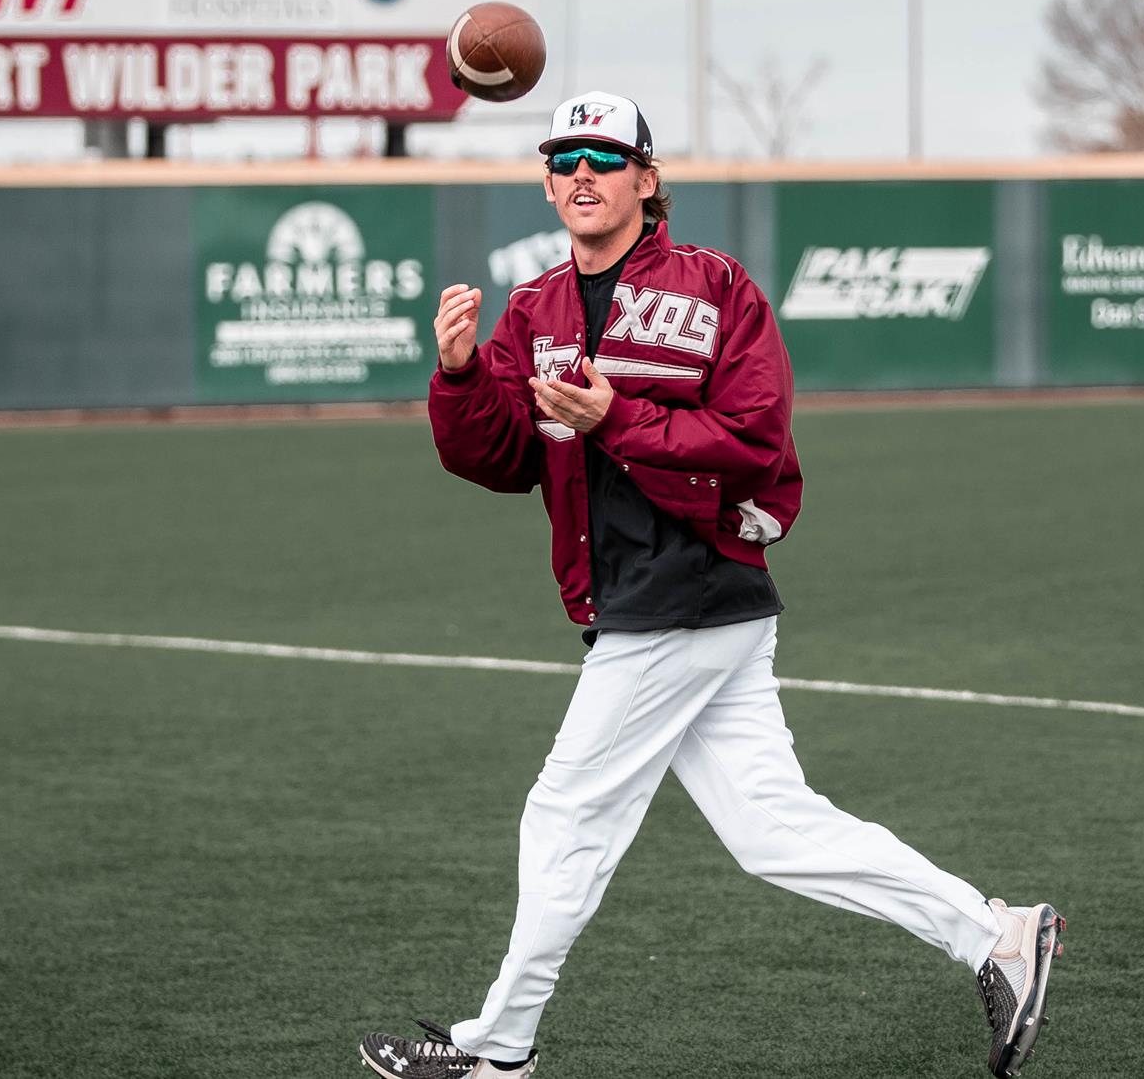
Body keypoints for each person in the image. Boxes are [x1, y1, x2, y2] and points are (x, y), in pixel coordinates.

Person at [359, 91, 1065, 1079]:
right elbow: (502, 455)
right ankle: (993, 933)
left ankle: (497, 1049)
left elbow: (753, 440)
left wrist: (616, 418)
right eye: (562, 158)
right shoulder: (533, 309)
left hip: (685, 586)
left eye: (603, 157)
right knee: (772, 830)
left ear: (646, 181)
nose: (580, 176)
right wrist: (459, 373)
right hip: (648, 600)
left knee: (565, 814)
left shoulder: (715, 287)